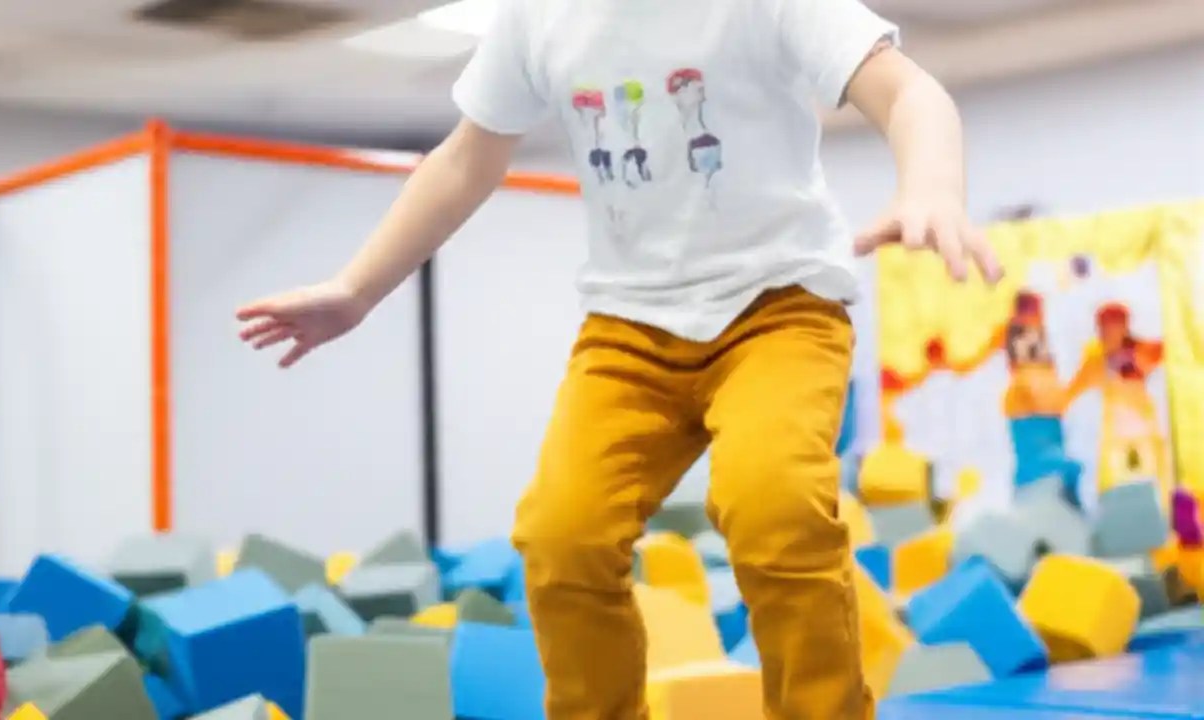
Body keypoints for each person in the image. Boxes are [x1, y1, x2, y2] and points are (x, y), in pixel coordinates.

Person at [236, 0, 1002, 716]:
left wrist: (931, 186)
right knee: (561, 536)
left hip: (779, 308)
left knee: (774, 507)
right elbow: (464, 162)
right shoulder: (539, 17)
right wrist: (357, 289)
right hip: (628, 330)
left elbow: (908, 93)